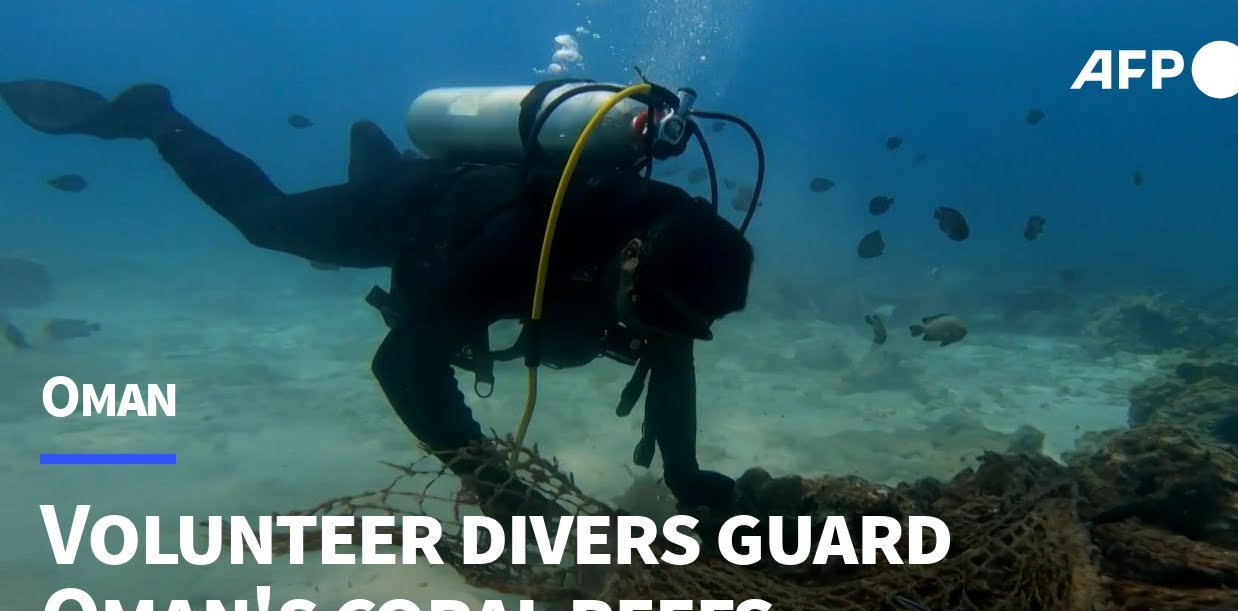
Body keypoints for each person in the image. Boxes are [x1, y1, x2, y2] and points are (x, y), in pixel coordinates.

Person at [0, 79, 754, 523]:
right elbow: (402, 362)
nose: (644, 330)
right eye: (641, 311)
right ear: (629, 263)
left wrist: (686, 475)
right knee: (267, 223)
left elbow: (672, 354)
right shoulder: (528, 245)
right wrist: (496, 487)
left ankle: (373, 154)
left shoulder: (675, 257)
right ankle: (156, 118)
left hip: (467, 220)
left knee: (369, 192)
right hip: (415, 211)